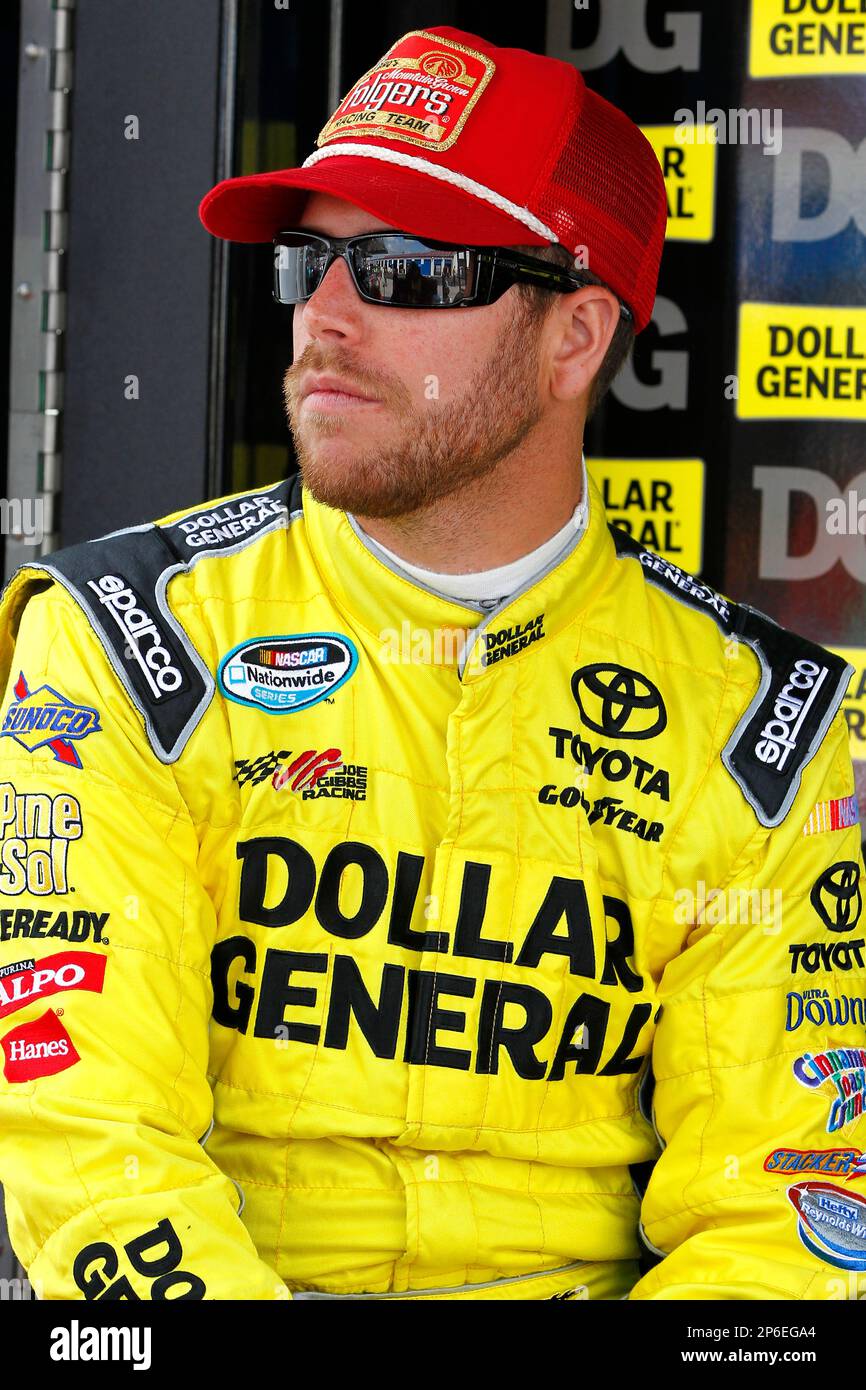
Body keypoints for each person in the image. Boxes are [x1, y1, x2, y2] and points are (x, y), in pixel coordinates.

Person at [0, 23, 862, 1303]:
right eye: (311, 259)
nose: (325, 318)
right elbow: (91, 1143)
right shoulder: (130, 639)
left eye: (405, 267)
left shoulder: (773, 730)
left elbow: (790, 1210)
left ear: (573, 338)